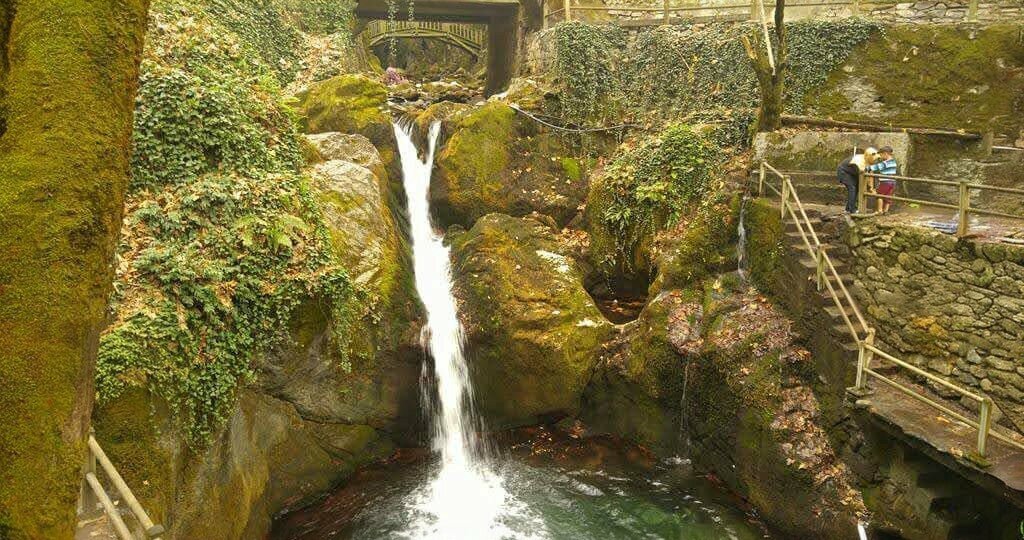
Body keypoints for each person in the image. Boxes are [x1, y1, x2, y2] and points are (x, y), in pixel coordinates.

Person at [836, 147, 876, 214]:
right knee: (852, 188)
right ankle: (852, 210)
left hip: (852, 172)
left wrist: (872, 187)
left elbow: (870, 174)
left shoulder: (868, 160)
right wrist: (869, 187)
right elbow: (863, 176)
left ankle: (848, 208)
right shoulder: (859, 161)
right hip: (844, 172)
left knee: (857, 188)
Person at [866, 145, 898, 213]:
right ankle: (885, 211)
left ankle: (879, 210)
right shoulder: (894, 162)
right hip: (893, 182)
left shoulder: (885, 163)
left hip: (885, 181)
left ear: (885, 154)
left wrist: (867, 168)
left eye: (881, 155)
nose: (880, 157)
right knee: (888, 197)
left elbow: (875, 167)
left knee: (879, 195)